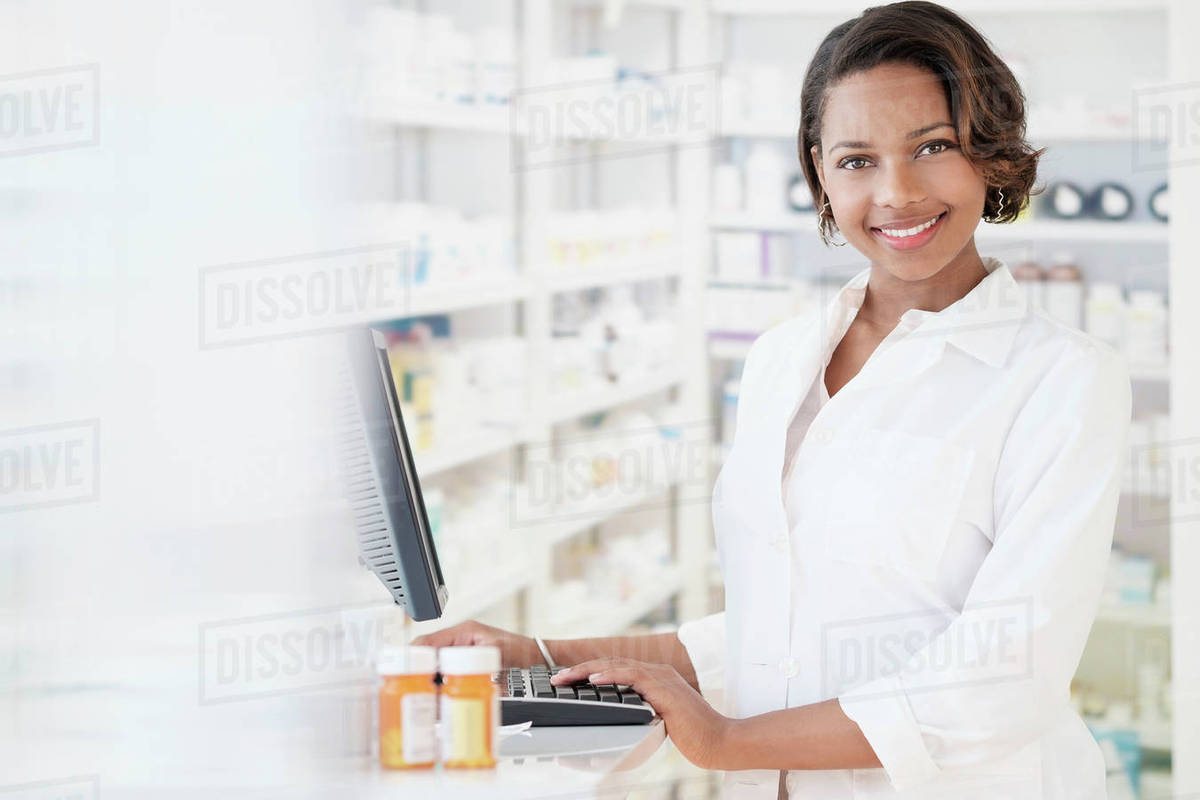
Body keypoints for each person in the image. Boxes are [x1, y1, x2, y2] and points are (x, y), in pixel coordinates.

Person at [415, 2, 1132, 797]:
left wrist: (725, 741)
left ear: (990, 155)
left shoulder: (1062, 380)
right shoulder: (781, 359)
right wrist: (538, 658)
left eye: (934, 146)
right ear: (819, 170)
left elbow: (1002, 679)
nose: (897, 193)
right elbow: (766, 635)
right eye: (857, 160)